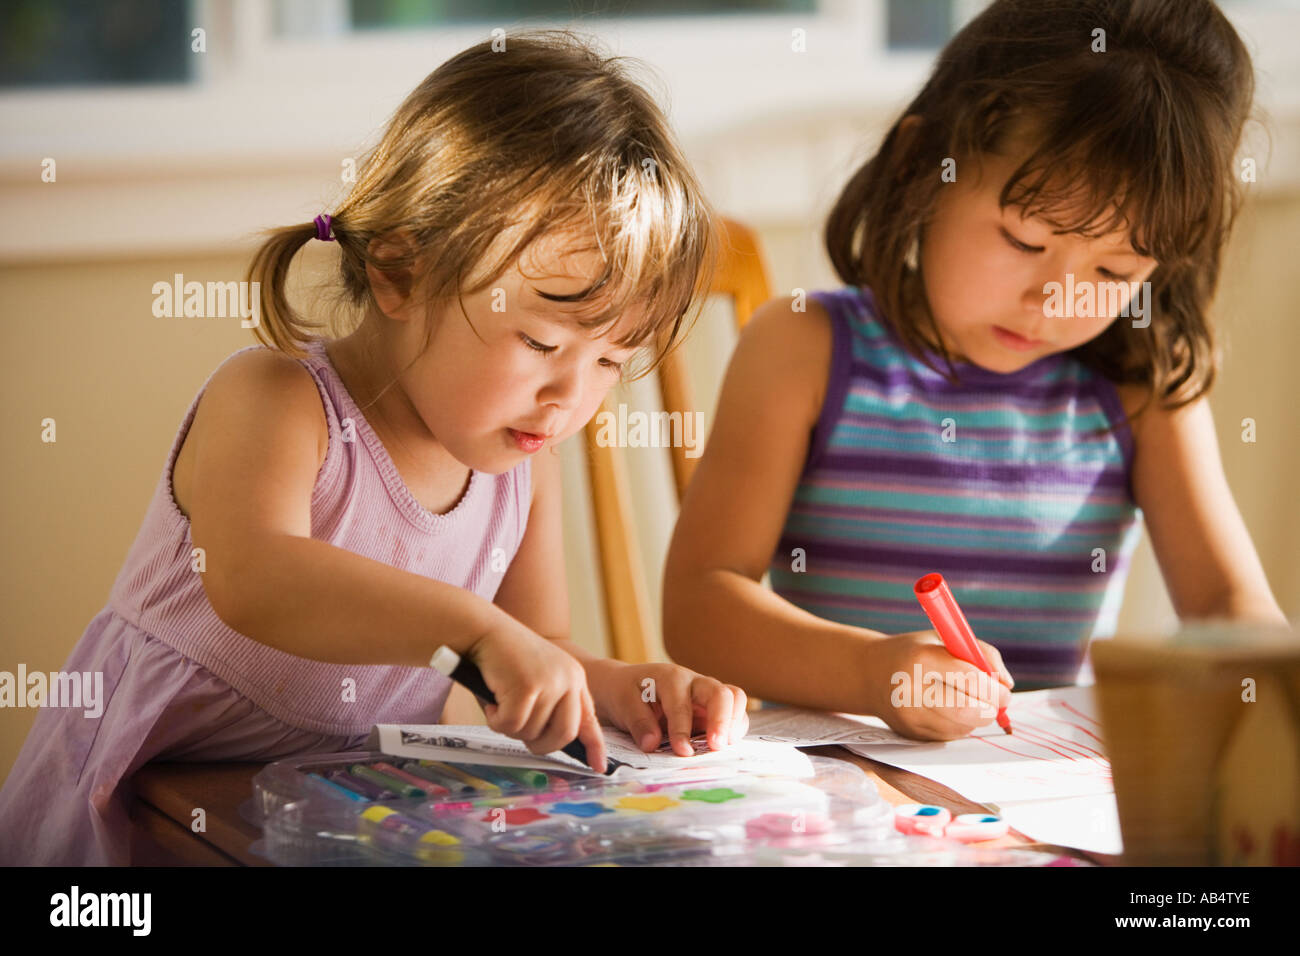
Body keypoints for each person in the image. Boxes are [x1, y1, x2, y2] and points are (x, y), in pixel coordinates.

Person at [0, 30, 748, 866]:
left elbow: (542, 647)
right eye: (539, 343)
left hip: (311, 818)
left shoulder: (524, 467)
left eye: (609, 361)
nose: (569, 396)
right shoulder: (276, 399)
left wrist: (629, 689)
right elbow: (255, 577)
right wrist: (472, 629)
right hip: (136, 814)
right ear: (399, 272)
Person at [663, 0, 1286, 741]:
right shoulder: (805, 349)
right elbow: (699, 607)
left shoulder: (1143, 391)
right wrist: (873, 673)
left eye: (1115, 271)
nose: (1055, 297)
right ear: (920, 166)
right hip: (835, 792)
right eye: (1024, 241)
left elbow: (1227, 607)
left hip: (1044, 804)